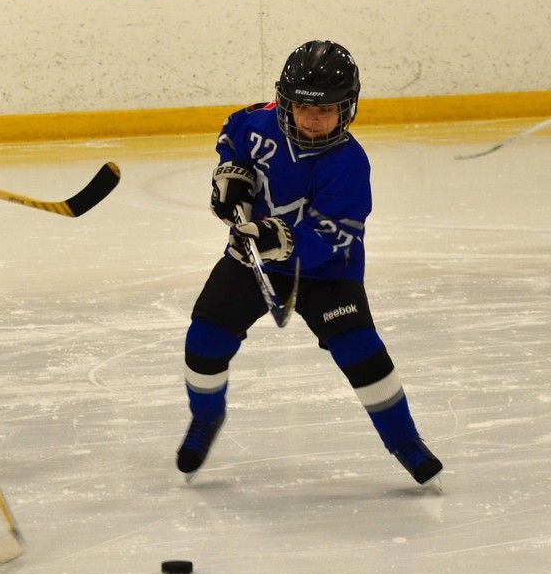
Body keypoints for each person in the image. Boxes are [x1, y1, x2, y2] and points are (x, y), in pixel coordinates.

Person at [176, 40, 443, 486]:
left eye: (326, 110)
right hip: (248, 259)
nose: (312, 119)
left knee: (362, 353)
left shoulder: (348, 163)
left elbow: (336, 234)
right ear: (285, 102)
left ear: (347, 109)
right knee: (204, 340)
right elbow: (231, 136)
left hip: (326, 272)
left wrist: (277, 238)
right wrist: (230, 176)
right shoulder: (257, 123)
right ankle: (206, 419)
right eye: (302, 107)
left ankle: (406, 443)